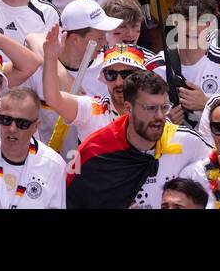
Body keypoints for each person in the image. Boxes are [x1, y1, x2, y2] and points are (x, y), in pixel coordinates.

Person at [67, 69, 212, 209]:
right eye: (150, 108)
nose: (160, 116)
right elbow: (68, 199)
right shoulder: (95, 150)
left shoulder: (186, 141)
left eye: (164, 107)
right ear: (128, 108)